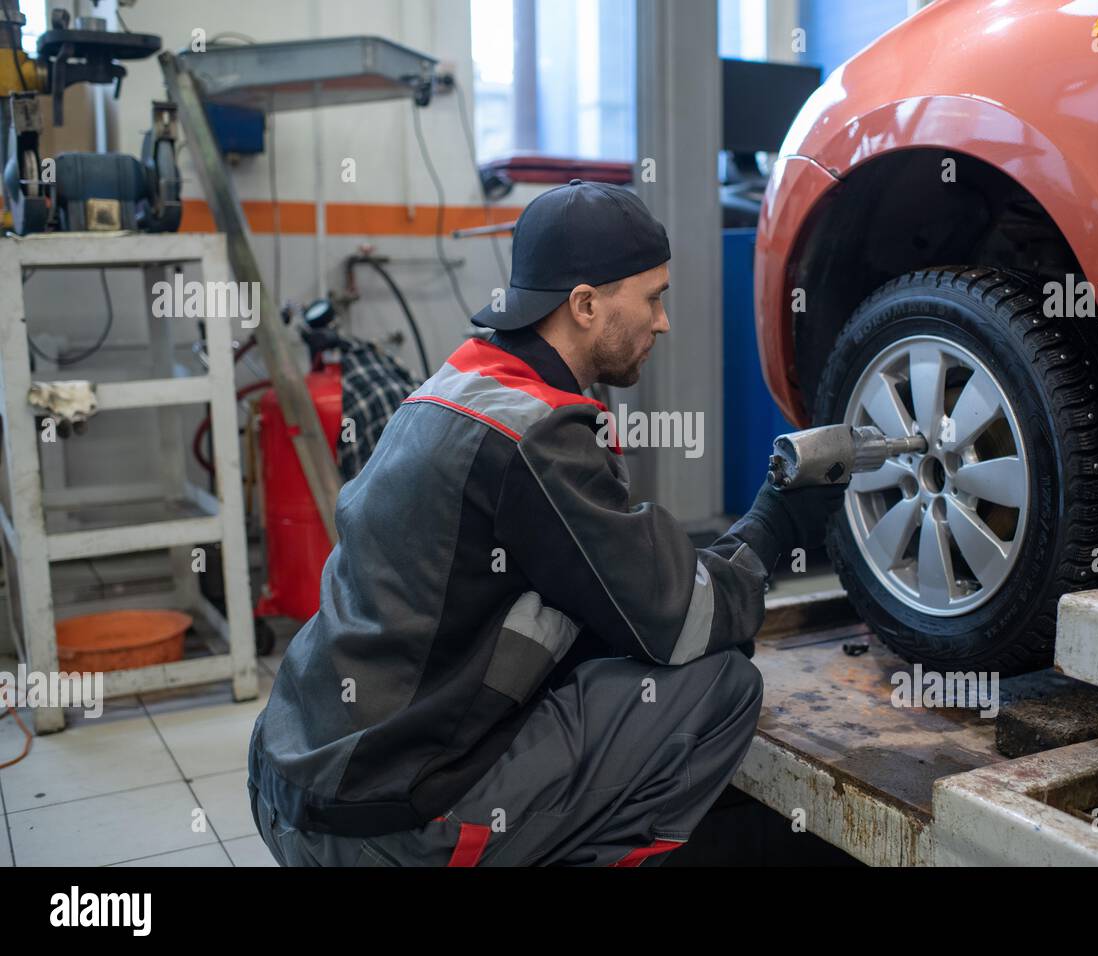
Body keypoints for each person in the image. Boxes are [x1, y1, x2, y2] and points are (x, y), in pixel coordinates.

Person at [247, 179, 845, 866]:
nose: (663, 321)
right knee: (722, 683)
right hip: (380, 828)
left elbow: (609, 577)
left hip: (287, 778)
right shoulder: (537, 436)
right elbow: (682, 623)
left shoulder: (456, 384)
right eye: (652, 298)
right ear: (585, 305)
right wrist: (774, 526)